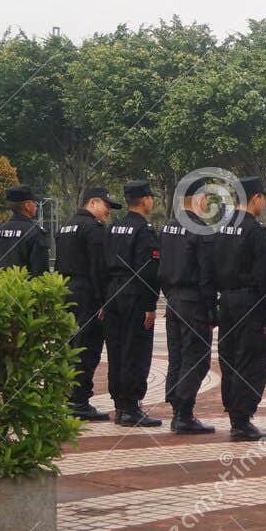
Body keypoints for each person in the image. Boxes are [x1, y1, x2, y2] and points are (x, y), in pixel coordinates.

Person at [214, 176, 266, 442]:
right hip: (250, 304)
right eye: (262, 198)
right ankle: (242, 420)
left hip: (226, 301)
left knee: (229, 359)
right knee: (249, 361)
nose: (263, 203)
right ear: (255, 198)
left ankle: (234, 414)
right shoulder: (257, 232)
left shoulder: (220, 228)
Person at [53, 186, 120, 419]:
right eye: (106, 205)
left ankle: (69, 396)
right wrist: (104, 300)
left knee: (70, 345)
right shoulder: (94, 229)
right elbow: (98, 268)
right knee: (87, 347)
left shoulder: (65, 226)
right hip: (88, 294)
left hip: (66, 290)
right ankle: (80, 401)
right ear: (92, 202)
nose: (108, 211)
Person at [159, 179, 218, 434]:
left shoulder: (168, 228)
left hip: (173, 300)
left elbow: (160, 269)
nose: (206, 202)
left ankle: (177, 409)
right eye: (205, 197)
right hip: (194, 303)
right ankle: (184, 413)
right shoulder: (200, 229)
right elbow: (206, 274)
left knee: (177, 356)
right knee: (196, 358)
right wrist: (211, 309)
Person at [104, 181, 162, 426]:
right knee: (135, 350)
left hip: (112, 291)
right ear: (145, 199)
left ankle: (119, 405)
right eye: (151, 197)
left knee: (116, 350)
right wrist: (151, 305)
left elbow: (101, 263)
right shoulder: (144, 230)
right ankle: (131, 407)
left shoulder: (113, 227)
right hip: (134, 294)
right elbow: (147, 270)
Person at [0, 185, 50, 275]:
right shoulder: (35, 233)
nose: (36, 206)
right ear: (27, 206)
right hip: (26, 287)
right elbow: (40, 271)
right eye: (34, 202)